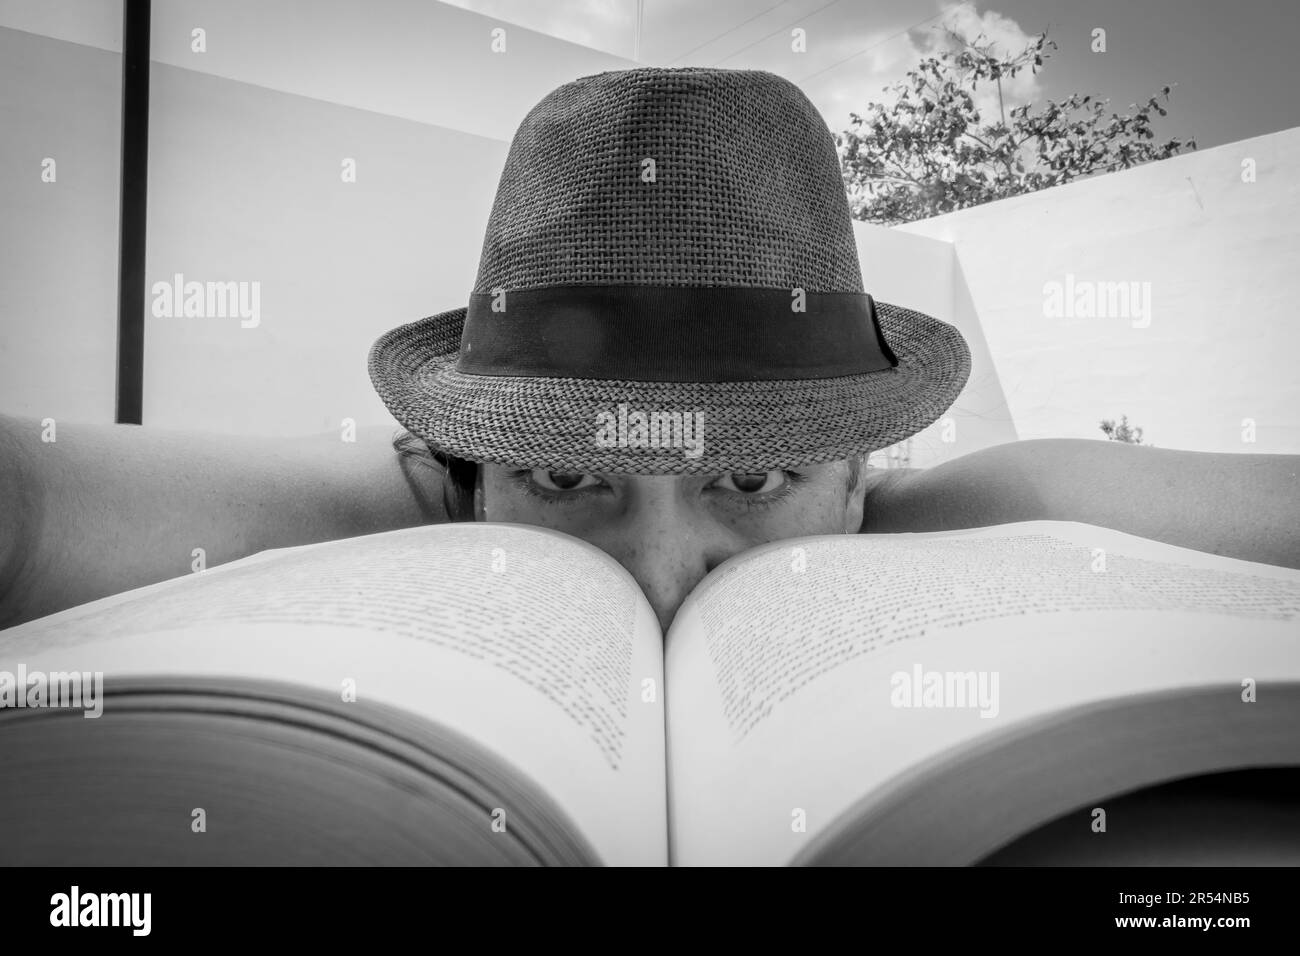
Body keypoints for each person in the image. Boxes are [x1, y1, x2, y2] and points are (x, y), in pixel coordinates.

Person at [1, 67, 1296, 633]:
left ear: (861, 470)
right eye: (570, 481)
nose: (663, 578)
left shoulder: (955, 514)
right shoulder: (411, 497)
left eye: (749, 479)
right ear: (469, 468)